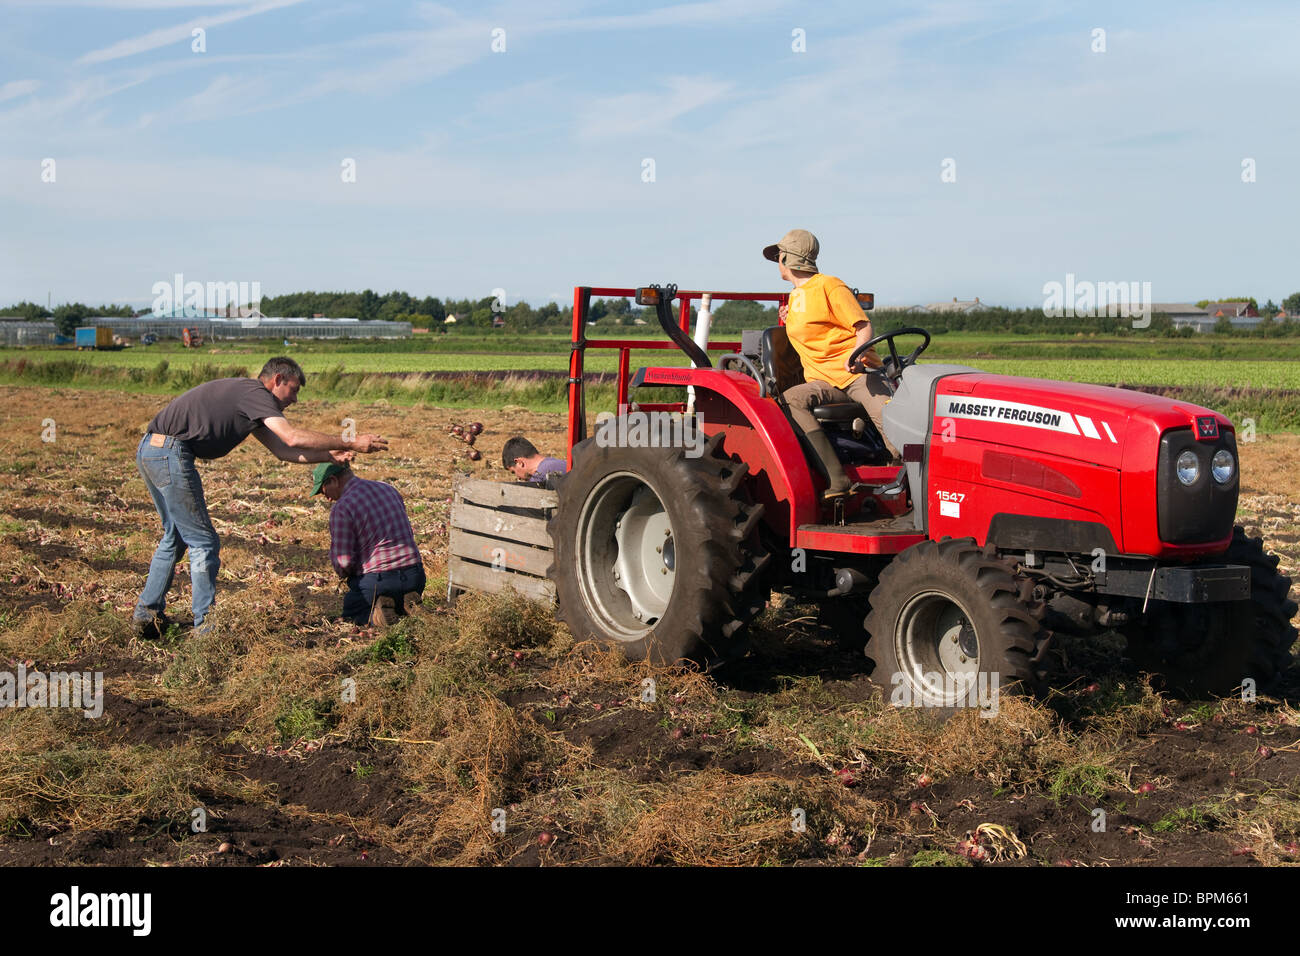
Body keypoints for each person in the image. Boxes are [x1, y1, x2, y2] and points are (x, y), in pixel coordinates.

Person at [133, 356, 387, 638]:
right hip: (170, 453)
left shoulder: (250, 404)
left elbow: (284, 451)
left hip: (152, 450)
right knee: (204, 542)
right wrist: (350, 441)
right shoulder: (255, 394)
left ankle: (147, 614)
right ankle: (206, 629)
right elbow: (291, 437)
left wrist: (330, 456)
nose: (295, 399)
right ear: (277, 380)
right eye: (294, 390)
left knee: (176, 537)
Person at [764, 229, 900, 499]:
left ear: (788, 259)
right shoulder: (795, 298)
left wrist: (858, 355)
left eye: (779, 256)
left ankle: (904, 480)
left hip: (858, 375)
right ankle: (836, 479)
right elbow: (808, 329)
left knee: (893, 427)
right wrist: (787, 316)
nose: (777, 261)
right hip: (824, 381)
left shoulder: (830, 285)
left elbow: (863, 326)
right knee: (791, 399)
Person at [312, 461, 425, 627]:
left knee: (352, 612)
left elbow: (344, 562)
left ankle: (376, 617)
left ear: (333, 480)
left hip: (379, 581)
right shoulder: (387, 488)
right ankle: (408, 605)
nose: (328, 499)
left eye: (324, 492)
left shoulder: (342, 508)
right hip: (415, 576)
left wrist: (343, 573)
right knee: (397, 603)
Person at [502, 436, 566, 484]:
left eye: (514, 472)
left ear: (519, 462)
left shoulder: (540, 477)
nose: (518, 478)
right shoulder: (558, 463)